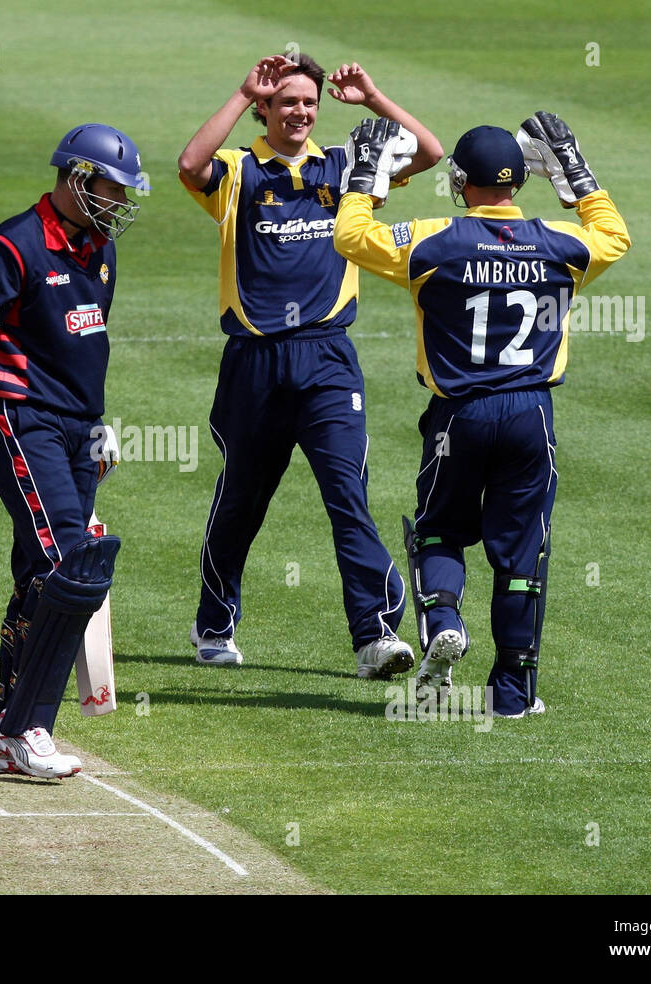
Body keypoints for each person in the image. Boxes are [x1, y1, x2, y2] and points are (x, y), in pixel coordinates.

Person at [332, 112, 631, 716]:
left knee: (440, 529)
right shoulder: (561, 244)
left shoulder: (433, 240)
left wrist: (365, 173)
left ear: (462, 182)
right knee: (523, 558)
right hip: (531, 415)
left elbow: (350, 236)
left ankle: (444, 618)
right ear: (520, 180)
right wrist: (573, 169)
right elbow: (614, 234)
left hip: (458, 415)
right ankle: (513, 696)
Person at [176, 54, 442, 677]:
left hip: (327, 358)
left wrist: (374, 98)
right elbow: (190, 165)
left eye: (308, 102)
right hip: (254, 361)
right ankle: (213, 624)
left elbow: (429, 152)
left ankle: (373, 636)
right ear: (265, 109)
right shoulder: (239, 171)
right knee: (242, 500)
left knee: (347, 496)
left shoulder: (347, 166)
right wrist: (243, 90)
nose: (299, 112)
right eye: (286, 101)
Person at [0, 123, 145, 776]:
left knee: (37, 583)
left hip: (75, 430)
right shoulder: (15, 246)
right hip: (18, 419)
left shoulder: (100, 247)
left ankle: (0, 740)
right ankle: (30, 728)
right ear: (75, 178)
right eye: (110, 187)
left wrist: (99, 423)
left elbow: (86, 345)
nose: (119, 201)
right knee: (73, 566)